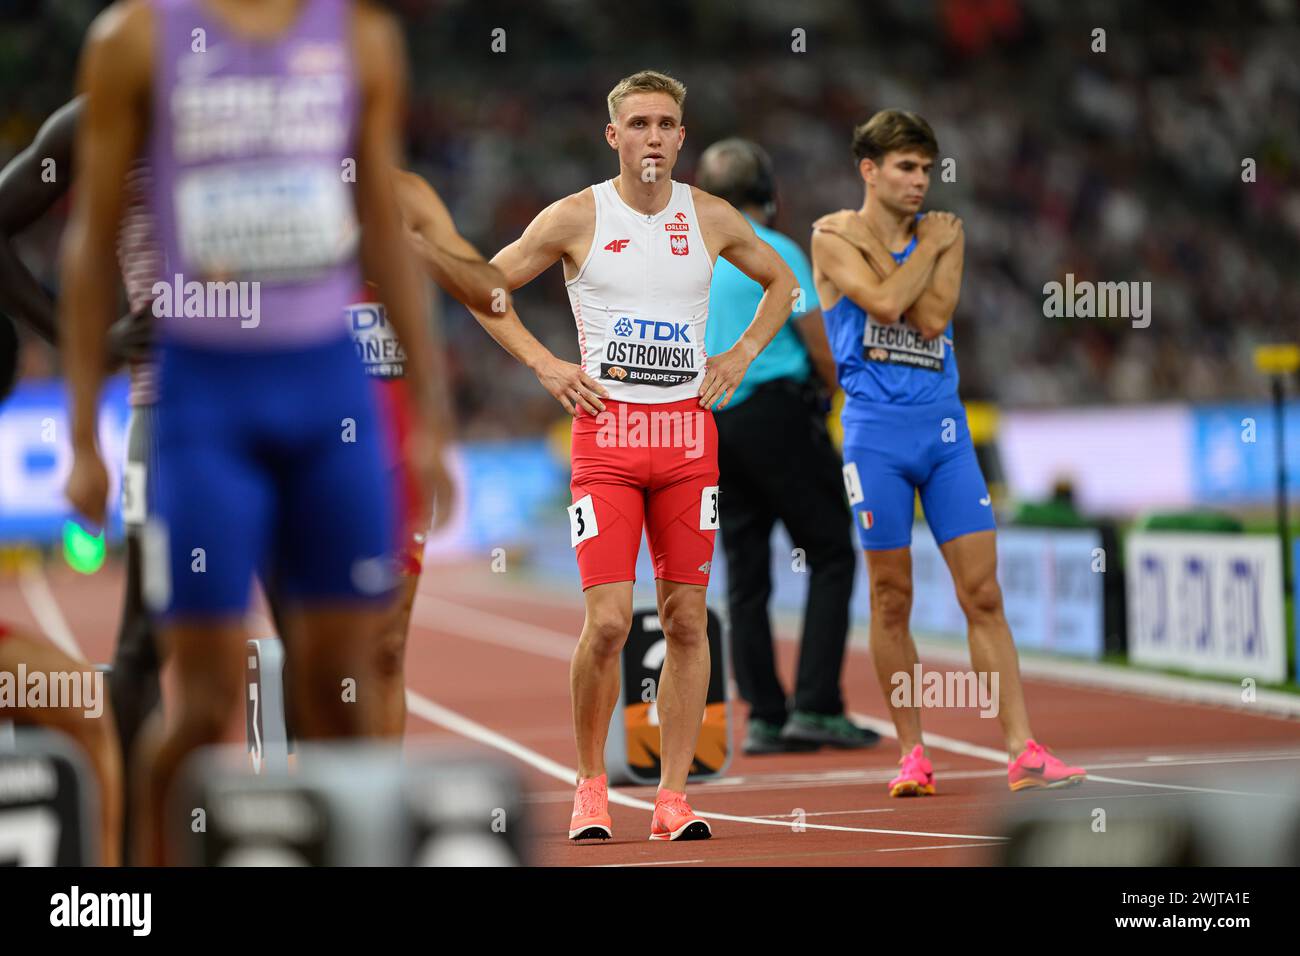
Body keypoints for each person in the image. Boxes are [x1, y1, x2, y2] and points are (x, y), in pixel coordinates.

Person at [59, 0, 442, 863]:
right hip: (203, 398)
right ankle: (140, 880)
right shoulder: (134, 39)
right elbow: (89, 241)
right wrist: (82, 430)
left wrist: (432, 425)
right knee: (201, 701)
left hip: (330, 391)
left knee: (340, 694)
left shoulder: (359, 39)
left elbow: (384, 224)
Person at [469, 70, 797, 841]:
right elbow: (483, 287)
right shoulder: (575, 216)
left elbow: (784, 284)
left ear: (684, 138)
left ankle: (673, 796)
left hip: (688, 441)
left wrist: (740, 354)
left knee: (688, 621)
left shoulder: (711, 216)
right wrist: (547, 365)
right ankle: (590, 782)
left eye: (667, 124)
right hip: (608, 444)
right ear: (613, 135)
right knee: (612, 623)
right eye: (640, 123)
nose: (654, 136)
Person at [811, 109, 1086, 796]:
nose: (920, 183)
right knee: (890, 596)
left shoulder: (947, 234)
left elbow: (929, 319)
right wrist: (926, 252)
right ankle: (913, 754)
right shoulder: (830, 235)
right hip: (873, 433)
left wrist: (920, 258)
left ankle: (1022, 749)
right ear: (868, 170)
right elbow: (878, 302)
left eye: (927, 170)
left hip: (943, 431)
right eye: (906, 168)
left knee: (983, 592)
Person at [695, 138, 876, 755]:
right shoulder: (776, 249)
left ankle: (766, 716)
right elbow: (817, 339)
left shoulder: (696, 257)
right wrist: (835, 393)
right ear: (772, 195)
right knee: (830, 553)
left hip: (715, 423)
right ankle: (817, 705)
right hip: (778, 412)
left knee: (746, 576)